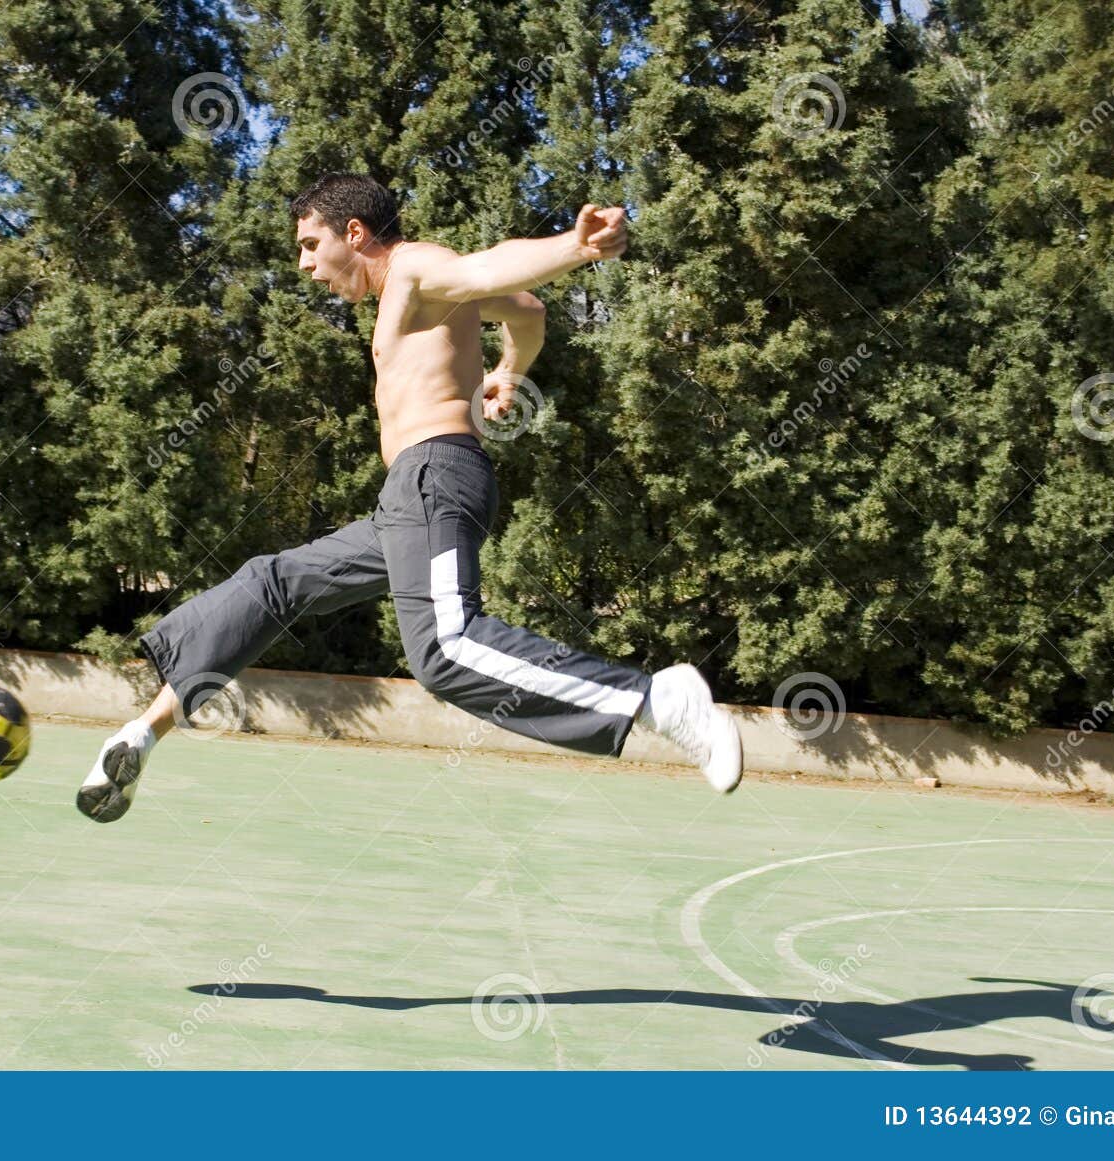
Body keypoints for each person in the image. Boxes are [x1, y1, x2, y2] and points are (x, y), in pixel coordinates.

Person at [78, 173, 742, 823]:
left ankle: (657, 699)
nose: (305, 264)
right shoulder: (418, 296)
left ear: (355, 232)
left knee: (445, 648)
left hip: (435, 475)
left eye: (311, 244)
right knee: (271, 585)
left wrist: (579, 247)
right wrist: (508, 371)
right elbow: (527, 311)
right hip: (409, 498)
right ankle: (144, 731)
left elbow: (491, 270)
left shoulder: (414, 269)